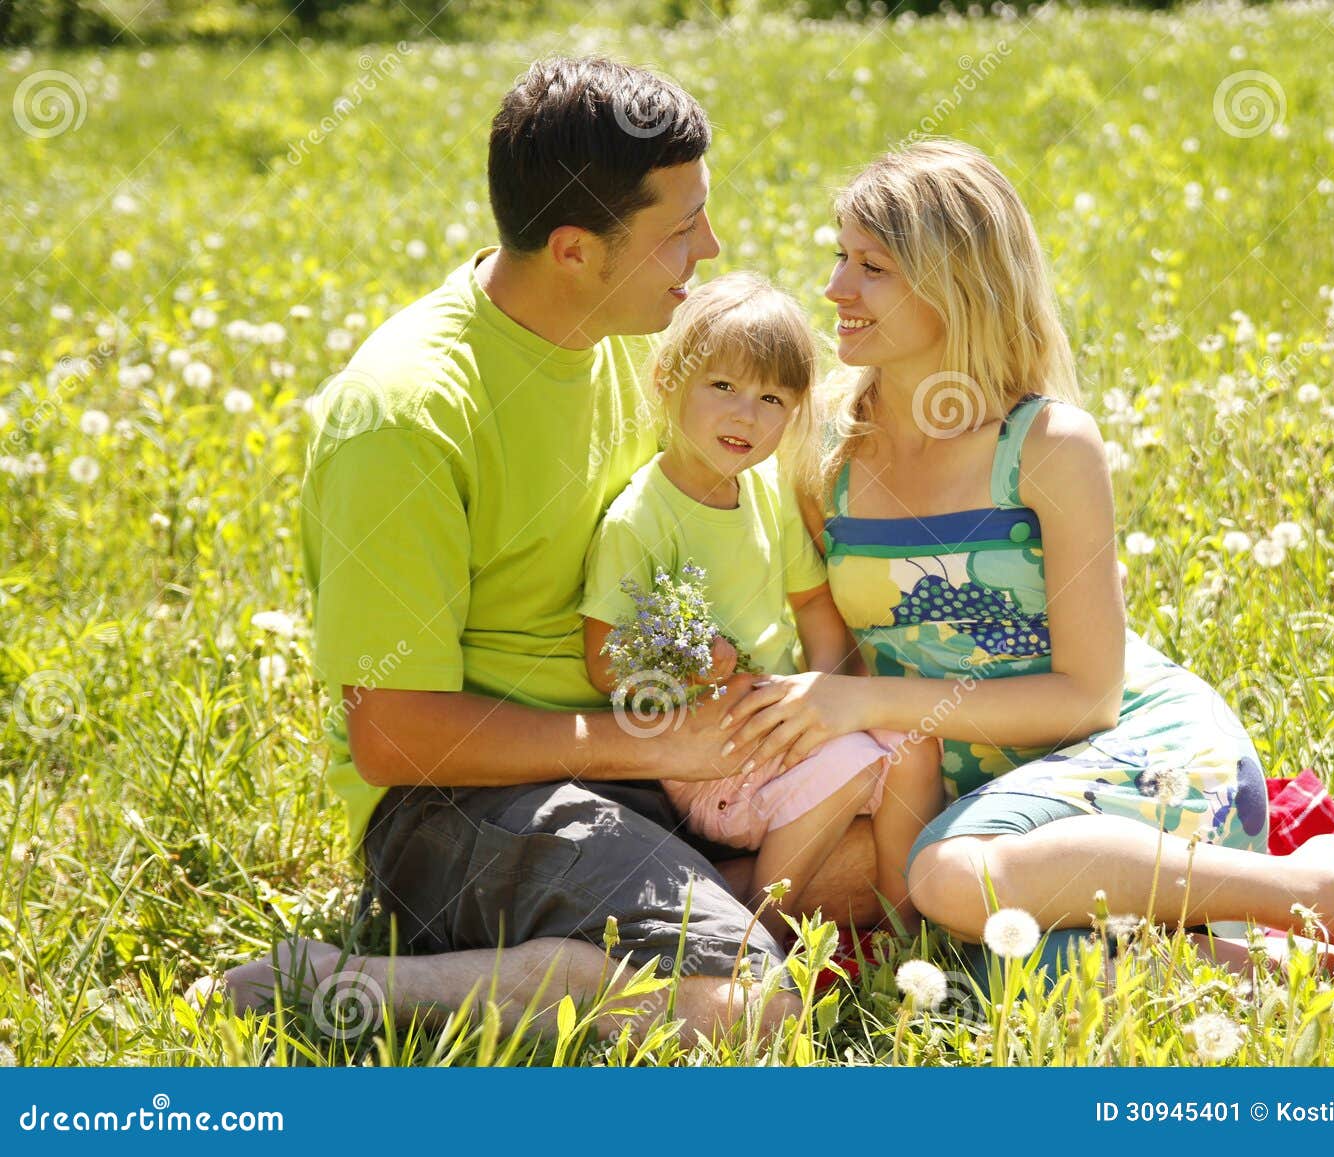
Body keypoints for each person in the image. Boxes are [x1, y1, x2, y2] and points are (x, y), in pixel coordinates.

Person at [718, 140, 1334, 990]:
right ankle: (1293, 966)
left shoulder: (1045, 445)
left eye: (871, 266)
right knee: (1019, 969)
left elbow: (1087, 695)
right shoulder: (824, 443)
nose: (836, 289)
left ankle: (1311, 890)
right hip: (988, 798)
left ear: (956, 283)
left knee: (953, 878)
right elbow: (830, 641)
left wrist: (866, 699)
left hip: (1128, 753)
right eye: (838, 256)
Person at [218, 58, 882, 1043]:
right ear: (574, 249)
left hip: (657, 762)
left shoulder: (649, 340)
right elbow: (391, 734)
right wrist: (656, 738)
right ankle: (368, 978)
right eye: (678, 230)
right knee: (757, 1009)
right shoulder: (405, 416)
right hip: (461, 804)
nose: (710, 245)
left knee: (899, 848)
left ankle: (672, 920)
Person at [579, 272, 945, 936]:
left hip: (779, 717)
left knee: (915, 746)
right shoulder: (641, 518)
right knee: (852, 764)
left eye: (772, 397)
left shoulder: (769, 490)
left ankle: (904, 933)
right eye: (723, 386)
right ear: (667, 379)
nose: (746, 415)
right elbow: (603, 662)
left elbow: (813, 607)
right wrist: (690, 672)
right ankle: (758, 933)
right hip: (714, 753)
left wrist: (826, 692)